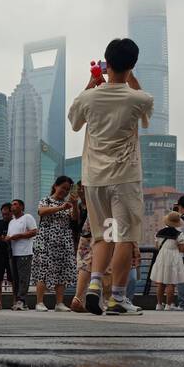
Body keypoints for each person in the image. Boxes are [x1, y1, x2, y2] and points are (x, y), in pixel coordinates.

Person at [68, 38, 154, 317]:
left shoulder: (88, 97)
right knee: (125, 238)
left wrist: (92, 84)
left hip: (93, 179)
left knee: (101, 237)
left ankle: (94, 285)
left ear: (106, 62)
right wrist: (131, 76)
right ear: (132, 65)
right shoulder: (138, 98)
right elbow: (144, 103)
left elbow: (75, 121)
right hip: (125, 178)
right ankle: (117, 297)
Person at [32, 175, 76, 311]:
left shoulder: (68, 204)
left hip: (63, 240)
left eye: (67, 190)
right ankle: (39, 302)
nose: (65, 191)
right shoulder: (46, 200)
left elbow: (74, 219)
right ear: (55, 186)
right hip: (46, 240)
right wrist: (61, 207)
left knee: (61, 270)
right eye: (63, 188)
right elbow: (41, 211)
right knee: (43, 269)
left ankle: (59, 303)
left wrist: (74, 205)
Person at [149, 211, 184, 310]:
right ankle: (169, 305)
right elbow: (183, 249)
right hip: (173, 257)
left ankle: (158, 304)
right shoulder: (179, 234)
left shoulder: (159, 233)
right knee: (171, 282)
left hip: (162, 256)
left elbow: (157, 246)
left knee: (160, 282)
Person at [7, 198, 37, 311]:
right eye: (12, 205)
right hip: (13, 253)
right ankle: (18, 300)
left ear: (22, 207)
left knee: (23, 278)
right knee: (15, 278)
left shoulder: (27, 217)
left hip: (24, 252)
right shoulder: (11, 222)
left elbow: (34, 231)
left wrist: (18, 236)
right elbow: (10, 236)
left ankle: (22, 300)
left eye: (15, 204)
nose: (12, 206)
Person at [69, 184, 93, 312]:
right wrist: (74, 204)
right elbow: (75, 222)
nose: (81, 191)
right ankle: (80, 299)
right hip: (85, 239)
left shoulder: (93, 202)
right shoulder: (79, 206)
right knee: (85, 267)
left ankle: (80, 300)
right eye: (79, 188)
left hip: (86, 239)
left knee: (86, 268)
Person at [0, 202, 14, 309]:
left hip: (12, 254)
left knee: (13, 279)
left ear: (12, 212)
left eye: (7, 214)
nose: (5, 216)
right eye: (3, 214)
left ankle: (16, 302)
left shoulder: (15, 223)